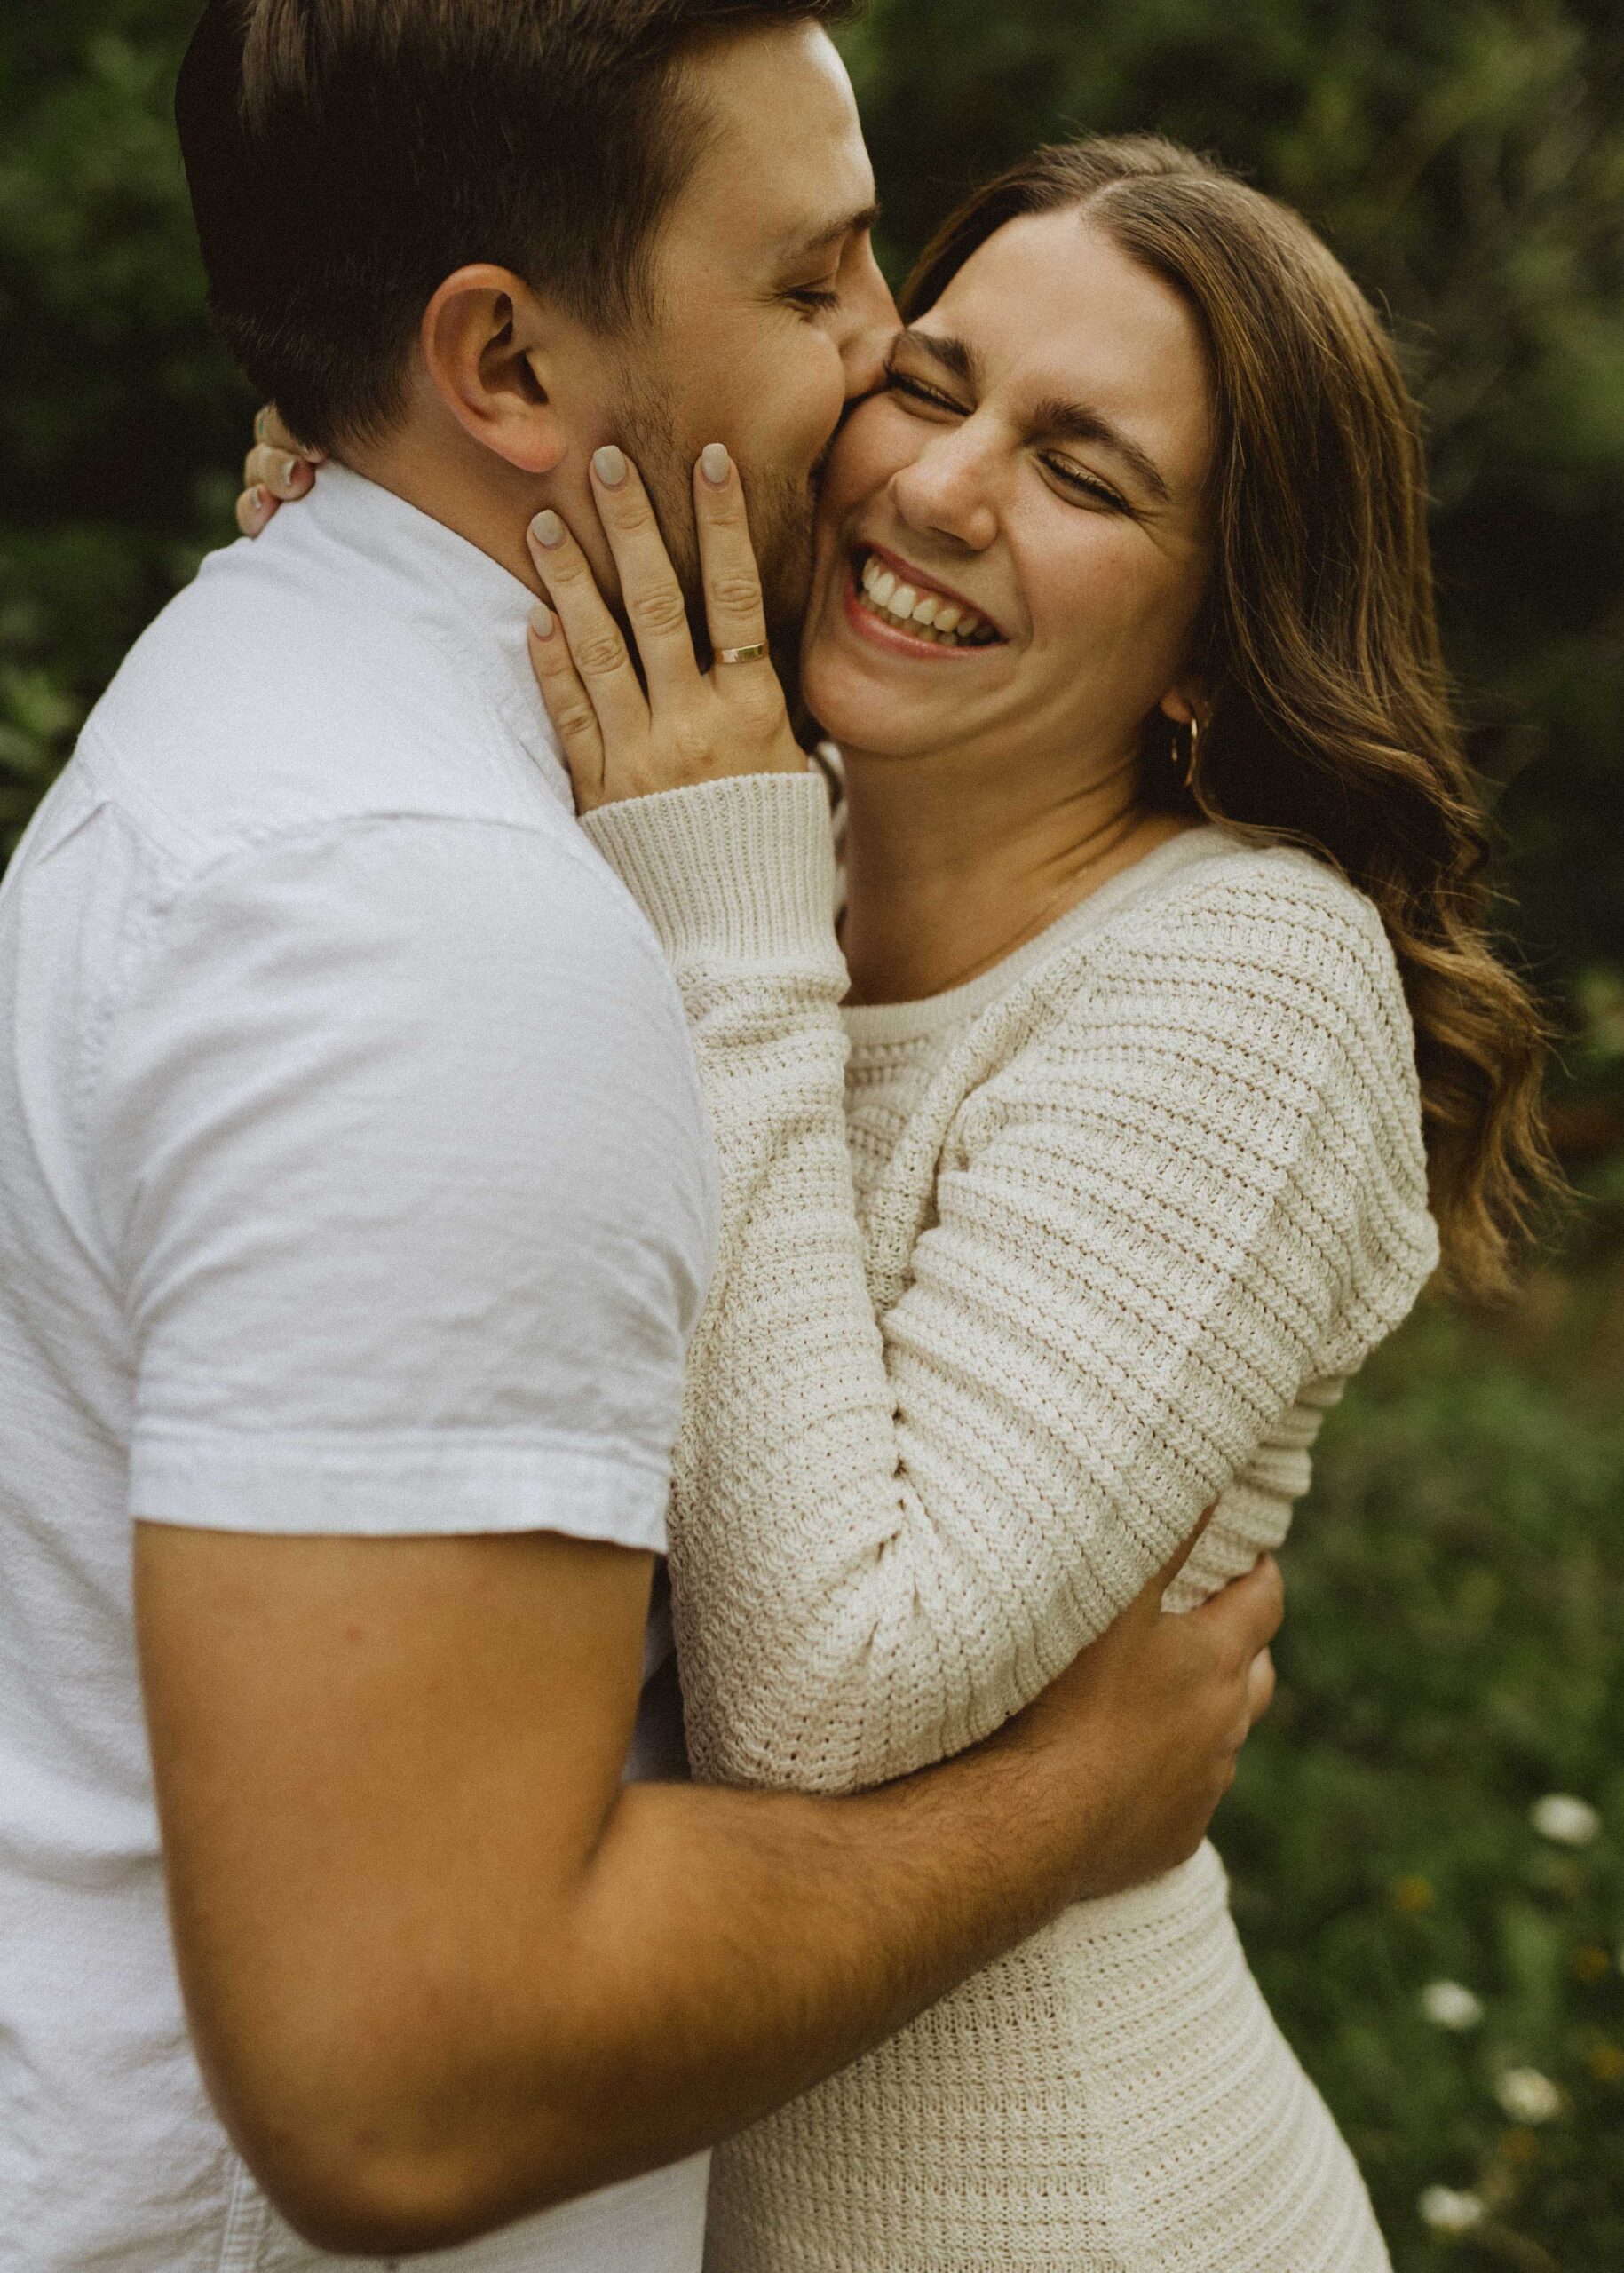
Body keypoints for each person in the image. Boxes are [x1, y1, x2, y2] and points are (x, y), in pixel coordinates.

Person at [0, 13, 1287, 2273]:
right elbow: (409, 2075)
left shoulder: (355, 746)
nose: (890, 382)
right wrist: (1077, 1791)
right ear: (499, 368)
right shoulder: (437, 924)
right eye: (815, 288)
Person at [512, 136, 1555, 2269]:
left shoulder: (1245, 980)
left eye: (1087, 474)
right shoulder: (743, 833)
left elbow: (827, 1686)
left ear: (1209, 640)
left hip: (1082, 2210)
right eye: (933, 381)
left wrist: (722, 913)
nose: (942, 487)